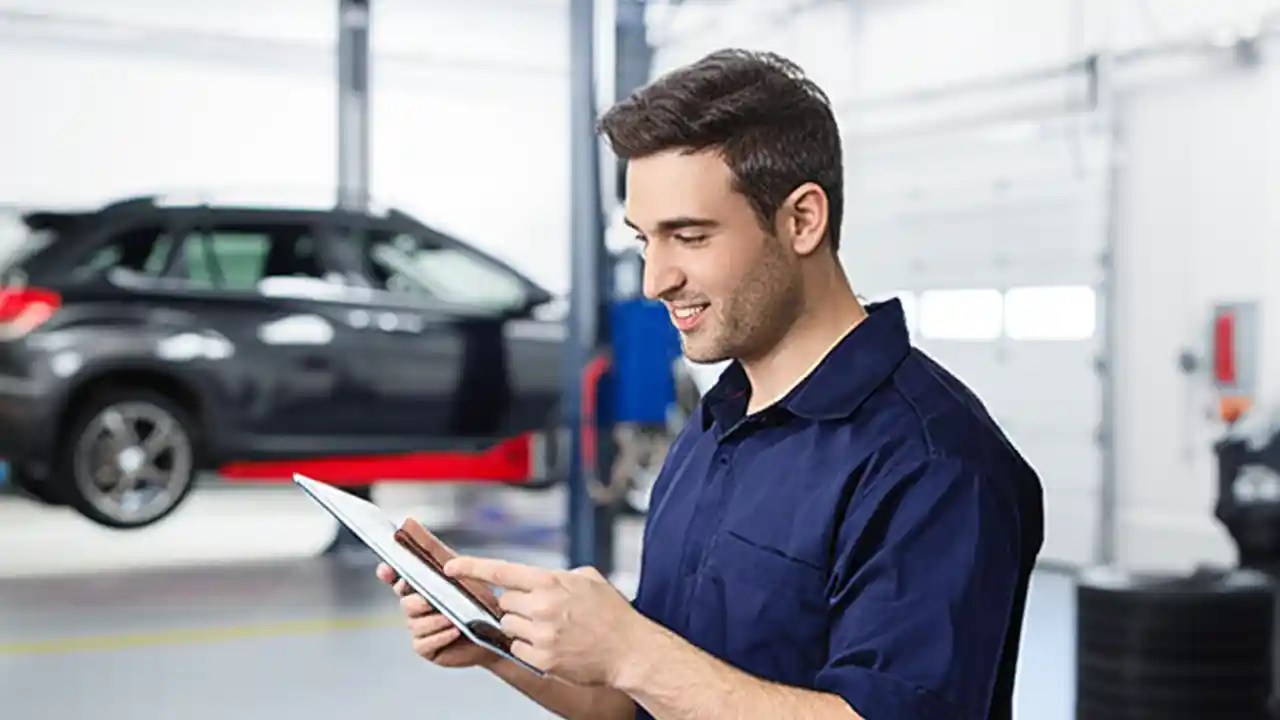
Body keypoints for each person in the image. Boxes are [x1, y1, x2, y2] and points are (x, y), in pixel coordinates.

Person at [376, 48, 1044, 720]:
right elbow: (641, 700)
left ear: (802, 220)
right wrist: (497, 637)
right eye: (645, 241)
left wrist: (632, 650)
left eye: (689, 236)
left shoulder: (936, 465)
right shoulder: (719, 420)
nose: (654, 280)